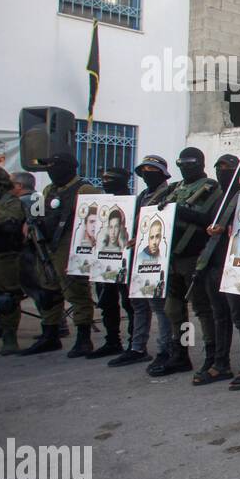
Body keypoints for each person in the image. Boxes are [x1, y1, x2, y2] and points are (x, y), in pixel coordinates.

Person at [17, 152, 99, 357]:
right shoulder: (50, 189)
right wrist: (30, 223)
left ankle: (83, 338)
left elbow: (95, 222)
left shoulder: (85, 189)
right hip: (49, 246)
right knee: (48, 290)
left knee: (76, 291)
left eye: (55, 166)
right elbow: (41, 211)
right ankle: (50, 334)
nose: (51, 170)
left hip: (71, 246)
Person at [148, 147, 220, 377]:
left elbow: (208, 218)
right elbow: (152, 209)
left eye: (190, 163)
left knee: (202, 308)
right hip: (170, 256)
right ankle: (181, 352)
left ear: (200, 163)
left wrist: (178, 211)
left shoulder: (211, 188)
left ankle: (212, 354)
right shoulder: (174, 188)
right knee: (174, 309)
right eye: (182, 163)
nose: (186, 167)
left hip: (194, 256)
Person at [195, 155, 240, 389]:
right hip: (213, 263)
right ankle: (220, 363)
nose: (223, 172)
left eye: (228, 169)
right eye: (219, 168)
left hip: (236, 266)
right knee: (219, 315)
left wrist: (228, 230)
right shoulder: (215, 197)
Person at [111, 156, 174, 367]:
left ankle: (166, 349)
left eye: (152, 170)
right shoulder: (143, 196)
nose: (147, 174)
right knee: (138, 303)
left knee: (160, 307)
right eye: (144, 170)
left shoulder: (170, 194)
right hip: (137, 256)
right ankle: (137, 346)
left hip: (158, 259)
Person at [86, 167, 135, 360]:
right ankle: (112, 340)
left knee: (129, 303)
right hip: (104, 259)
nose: (106, 183)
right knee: (106, 301)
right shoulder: (100, 205)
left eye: (111, 179)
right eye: (104, 179)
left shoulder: (134, 203)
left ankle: (134, 342)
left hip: (126, 260)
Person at [0, 163, 25, 355]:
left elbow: (8, 222)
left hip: (2, 254)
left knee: (6, 299)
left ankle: (9, 337)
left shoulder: (10, 201)